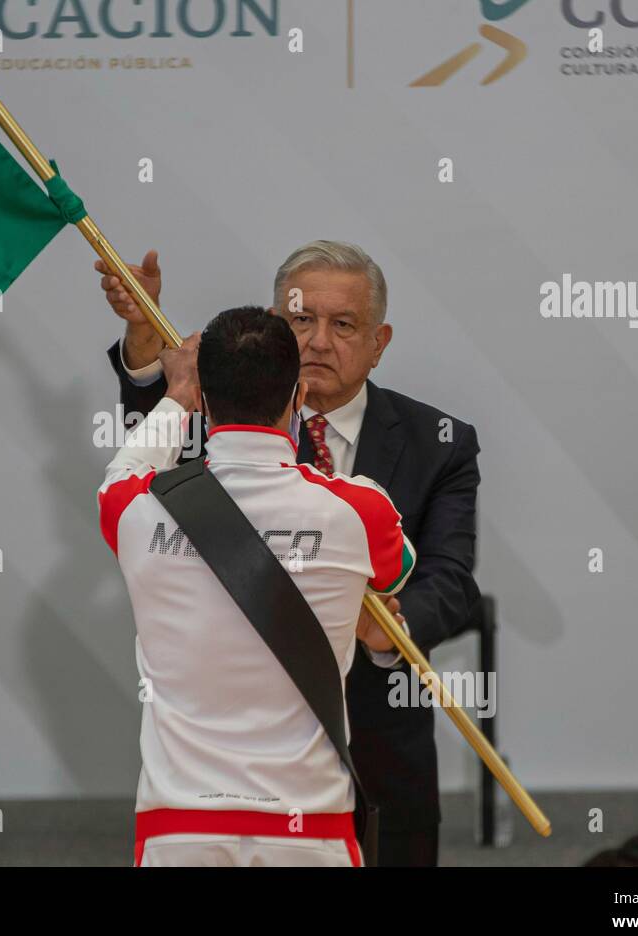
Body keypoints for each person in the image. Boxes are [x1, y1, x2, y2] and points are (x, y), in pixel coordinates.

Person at [98, 241, 481, 865]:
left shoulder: (438, 441)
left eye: (344, 324)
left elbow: (451, 578)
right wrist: (144, 336)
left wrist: (388, 630)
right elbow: (151, 429)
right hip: (217, 776)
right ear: (276, 331)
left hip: (379, 747)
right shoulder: (212, 413)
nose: (319, 341)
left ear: (380, 341)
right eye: (301, 320)